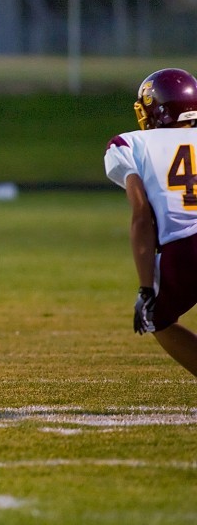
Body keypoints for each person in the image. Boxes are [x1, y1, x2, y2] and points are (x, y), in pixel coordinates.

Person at [104, 67, 197, 378]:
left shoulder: (131, 145)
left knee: (157, 317)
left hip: (185, 248)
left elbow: (142, 215)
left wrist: (146, 288)